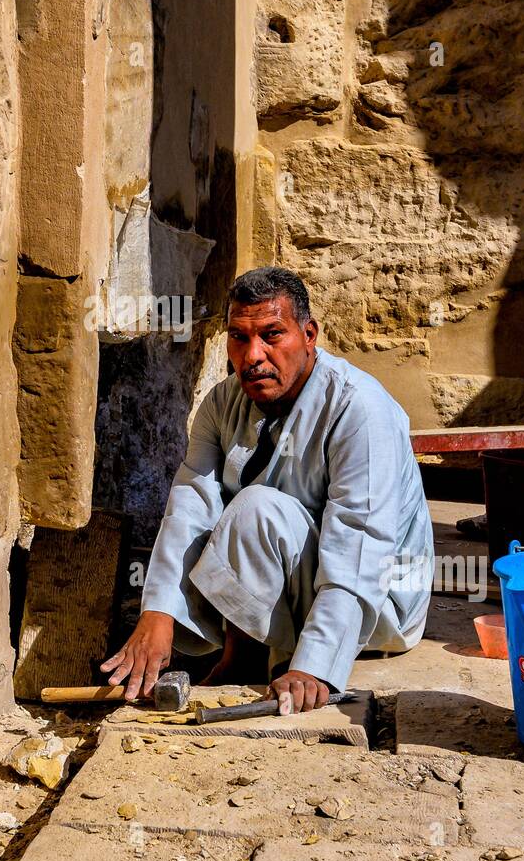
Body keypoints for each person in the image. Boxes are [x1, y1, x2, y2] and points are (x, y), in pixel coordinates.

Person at [100, 266, 433, 714]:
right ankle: (245, 655)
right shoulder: (222, 404)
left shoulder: (359, 409)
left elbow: (360, 540)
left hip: (377, 600)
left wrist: (315, 666)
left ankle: (258, 658)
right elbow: (189, 507)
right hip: (296, 579)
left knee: (254, 508)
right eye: (239, 337)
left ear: (309, 334)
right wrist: (158, 612)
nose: (253, 355)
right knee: (234, 508)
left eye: (272, 335)